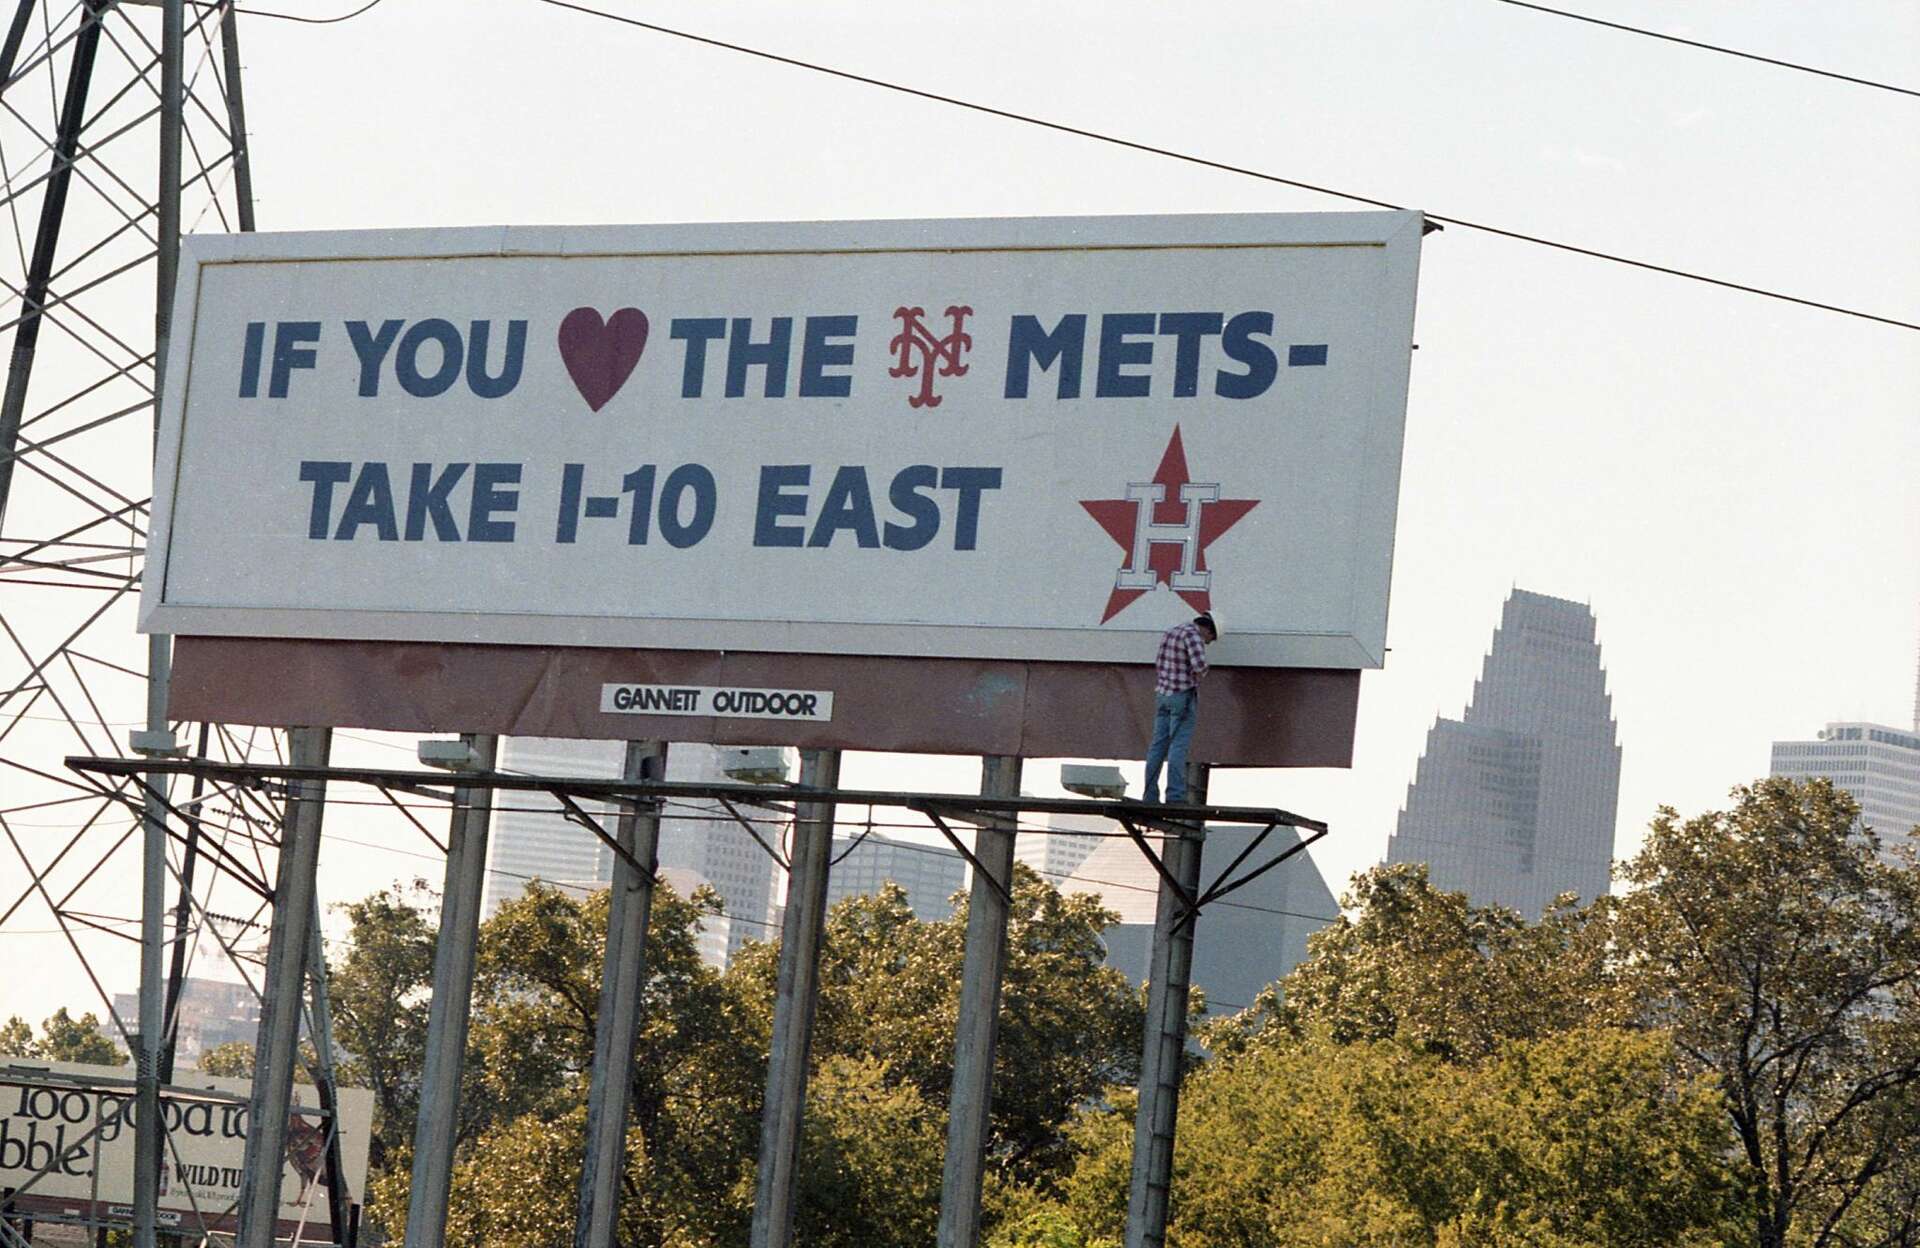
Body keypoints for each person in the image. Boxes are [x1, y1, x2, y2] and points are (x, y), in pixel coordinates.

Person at [1142, 612, 1218, 804]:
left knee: (1157, 746)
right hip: (1182, 695)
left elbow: (1159, 663)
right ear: (1208, 630)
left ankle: (1150, 794)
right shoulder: (1193, 635)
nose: (1208, 643)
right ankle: (1174, 795)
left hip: (1163, 694)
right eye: (1210, 639)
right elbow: (1200, 666)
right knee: (1178, 747)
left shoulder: (1171, 631)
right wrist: (1200, 673)